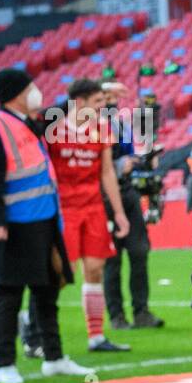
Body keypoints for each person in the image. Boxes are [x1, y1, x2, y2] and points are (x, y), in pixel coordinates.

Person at [0, 68, 90, 383]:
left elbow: (55, 114)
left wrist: (82, 97)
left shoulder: (27, 122)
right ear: (19, 93)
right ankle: (5, 363)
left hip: (45, 220)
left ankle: (54, 357)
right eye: (31, 87)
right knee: (8, 294)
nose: (37, 91)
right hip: (14, 224)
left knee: (47, 291)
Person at [50, 79, 131, 353]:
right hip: (64, 209)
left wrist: (119, 213)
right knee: (64, 272)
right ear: (81, 102)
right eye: (98, 101)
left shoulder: (102, 129)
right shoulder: (54, 129)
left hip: (94, 207)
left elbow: (107, 173)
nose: (103, 106)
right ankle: (35, 320)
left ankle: (96, 336)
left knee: (95, 269)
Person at [101, 83, 162, 331]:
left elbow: (128, 155)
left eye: (114, 97)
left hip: (127, 191)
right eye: (105, 97)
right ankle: (116, 316)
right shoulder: (92, 127)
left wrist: (140, 161)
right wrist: (119, 166)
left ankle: (141, 311)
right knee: (112, 259)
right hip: (104, 194)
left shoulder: (119, 124)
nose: (111, 101)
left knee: (140, 252)